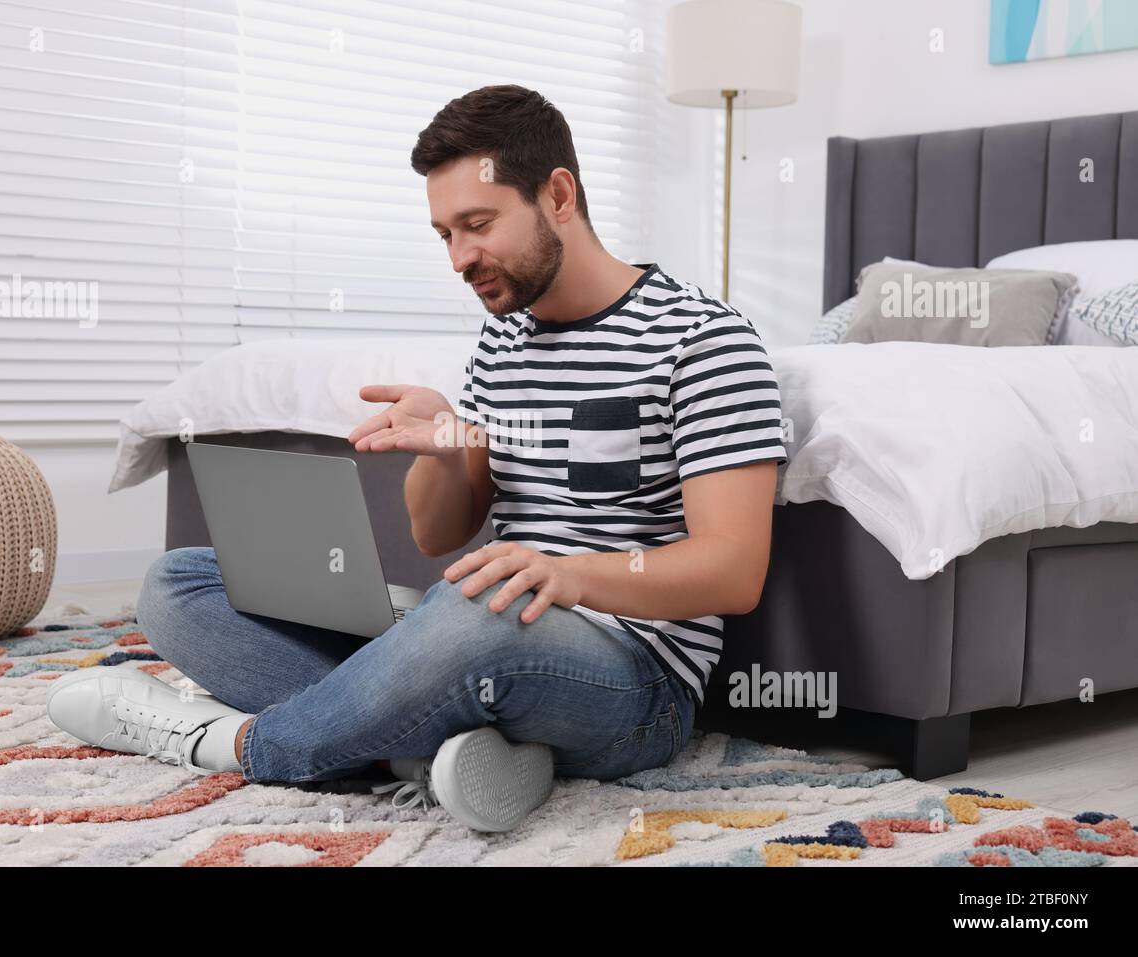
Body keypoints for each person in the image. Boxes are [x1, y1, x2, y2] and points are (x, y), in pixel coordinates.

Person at [45, 84, 788, 833]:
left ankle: (238, 743)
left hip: (636, 681)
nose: (462, 258)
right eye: (444, 235)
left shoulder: (702, 342)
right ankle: (426, 752)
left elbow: (733, 570)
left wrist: (567, 576)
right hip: (486, 623)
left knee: (467, 617)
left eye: (478, 224)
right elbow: (440, 536)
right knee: (179, 584)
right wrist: (446, 448)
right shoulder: (503, 341)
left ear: (558, 195)